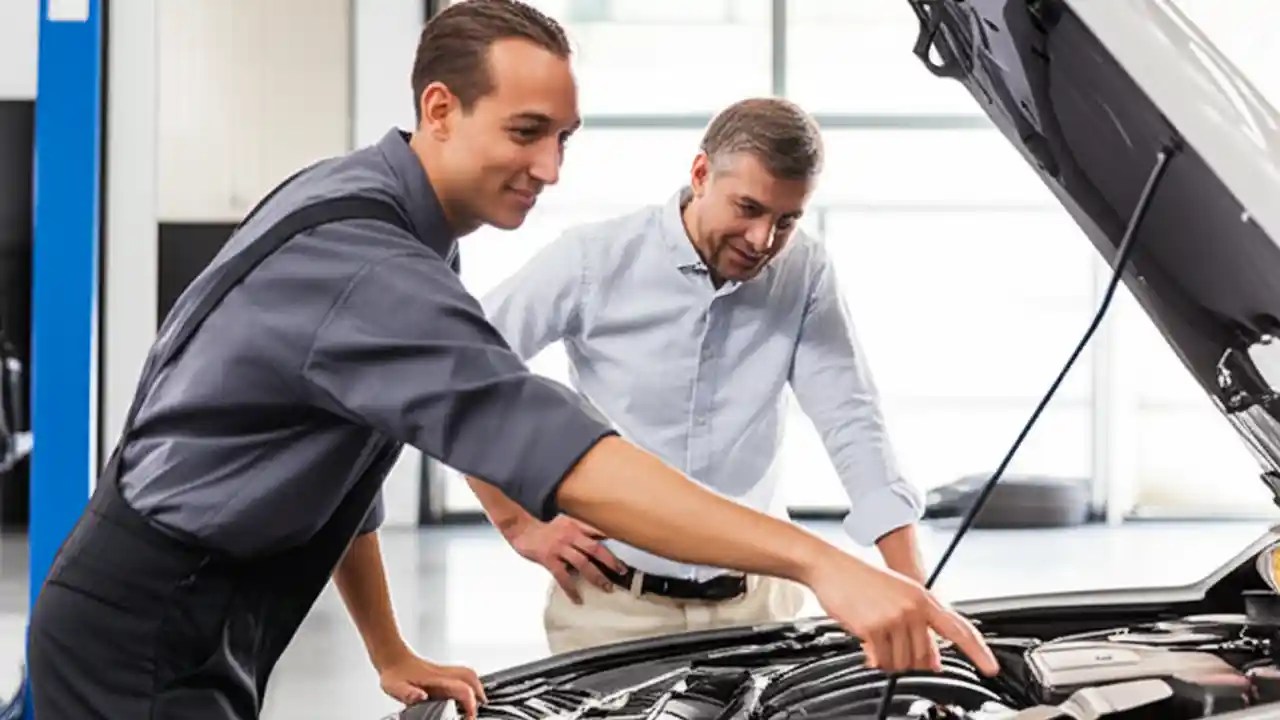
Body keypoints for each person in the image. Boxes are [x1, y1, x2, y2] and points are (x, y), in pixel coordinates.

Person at [26, 2, 996, 719]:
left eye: (564, 138)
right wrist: (820, 561)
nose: (550, 169)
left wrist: (387, 647)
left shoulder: (384, 211)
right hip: (149, 622)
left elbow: (346, 459)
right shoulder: (370, 265)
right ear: (440, 108)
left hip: (198, 606)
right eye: (525, 133)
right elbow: (546, 439)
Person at [467, 97, 928, 655]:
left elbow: (852, 420)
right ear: (701, 173)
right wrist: (519, 523)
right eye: (749, 207)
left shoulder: (803, 271)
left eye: (786, 220)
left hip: (761, 608)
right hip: (612, 611)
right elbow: (461, 372)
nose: (762, 240)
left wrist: (913, 593)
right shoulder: (594, 260)